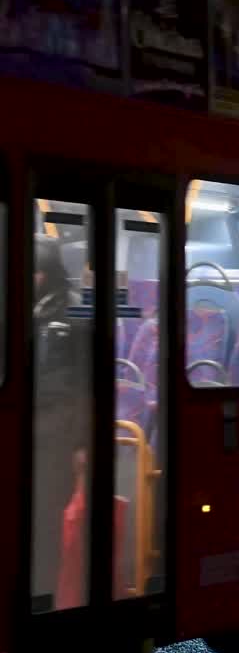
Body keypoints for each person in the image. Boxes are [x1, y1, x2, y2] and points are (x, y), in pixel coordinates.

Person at [31, 239, 90, 611]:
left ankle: (45, 593)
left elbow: (85, 385)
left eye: (36, 270)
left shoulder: (71, 313)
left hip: (59, 435)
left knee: (49, 516)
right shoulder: (34, 308)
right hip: (39, 428)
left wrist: (81, 444)